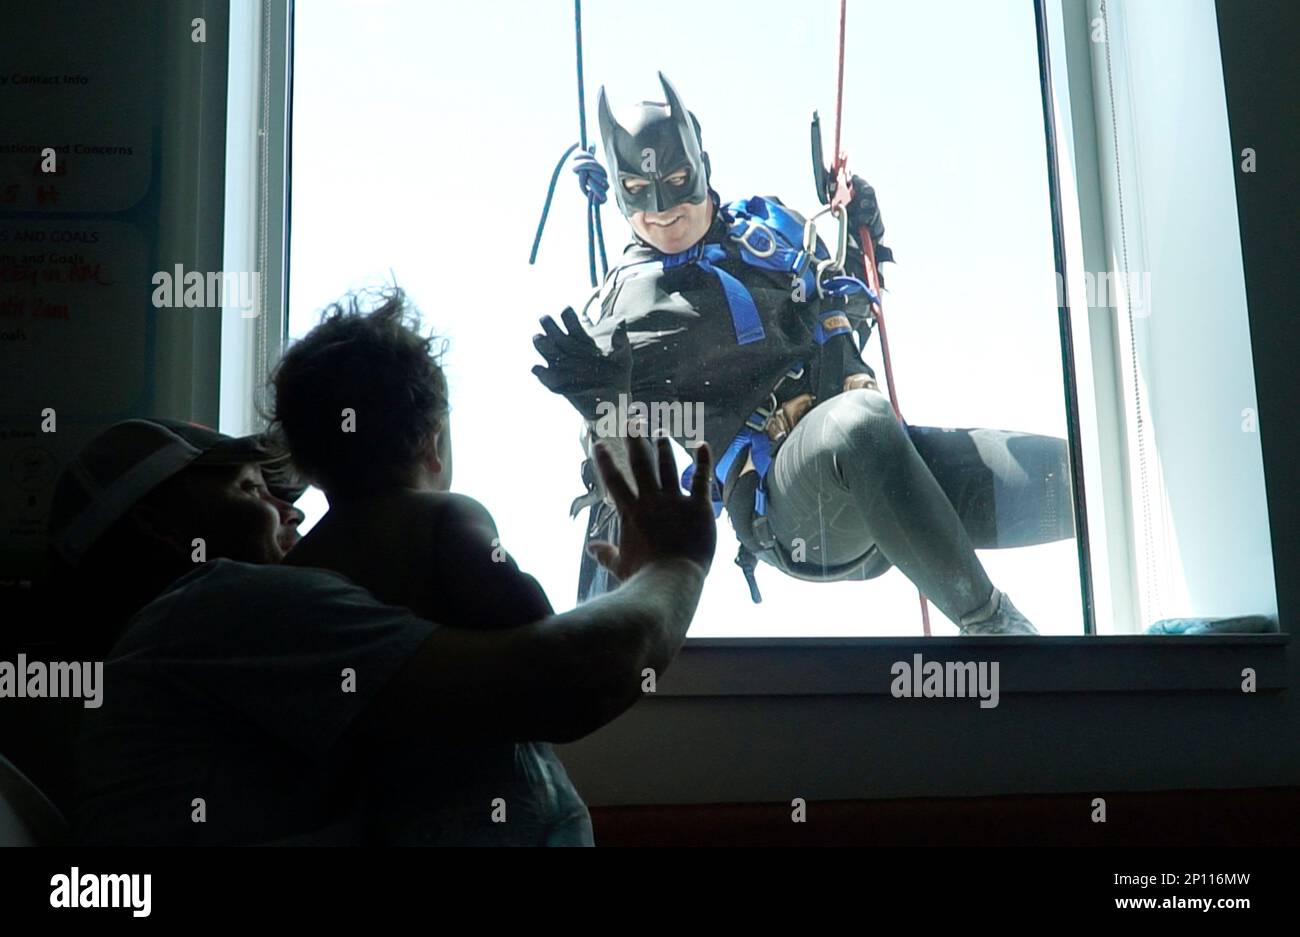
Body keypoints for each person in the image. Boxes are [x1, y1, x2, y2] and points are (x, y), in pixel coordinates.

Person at [532, 72, 1075, 634]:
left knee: (1079, 474)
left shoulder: (768, 225)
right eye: (640, 194)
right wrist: (605, 408)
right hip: (794, 510)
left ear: (703, 164)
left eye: (676, 180)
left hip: (890, 472)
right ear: (619, 194)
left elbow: (848, 313)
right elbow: (618, 491)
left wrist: (864, 228)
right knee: (858, 423)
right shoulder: (628, 305)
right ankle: (997, 630)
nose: (663, 209)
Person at [56, 416, 715, 845]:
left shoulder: (194, 645)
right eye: (253, 488)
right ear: (162, 528)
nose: (291, 509)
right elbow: (572, 679)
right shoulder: (218, 610)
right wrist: (677, 563)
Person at [269, 288, 591, 843]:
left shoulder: (300, 566)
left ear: (303, 462)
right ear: (432, 440)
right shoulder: (444, 519)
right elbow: (542, 636)